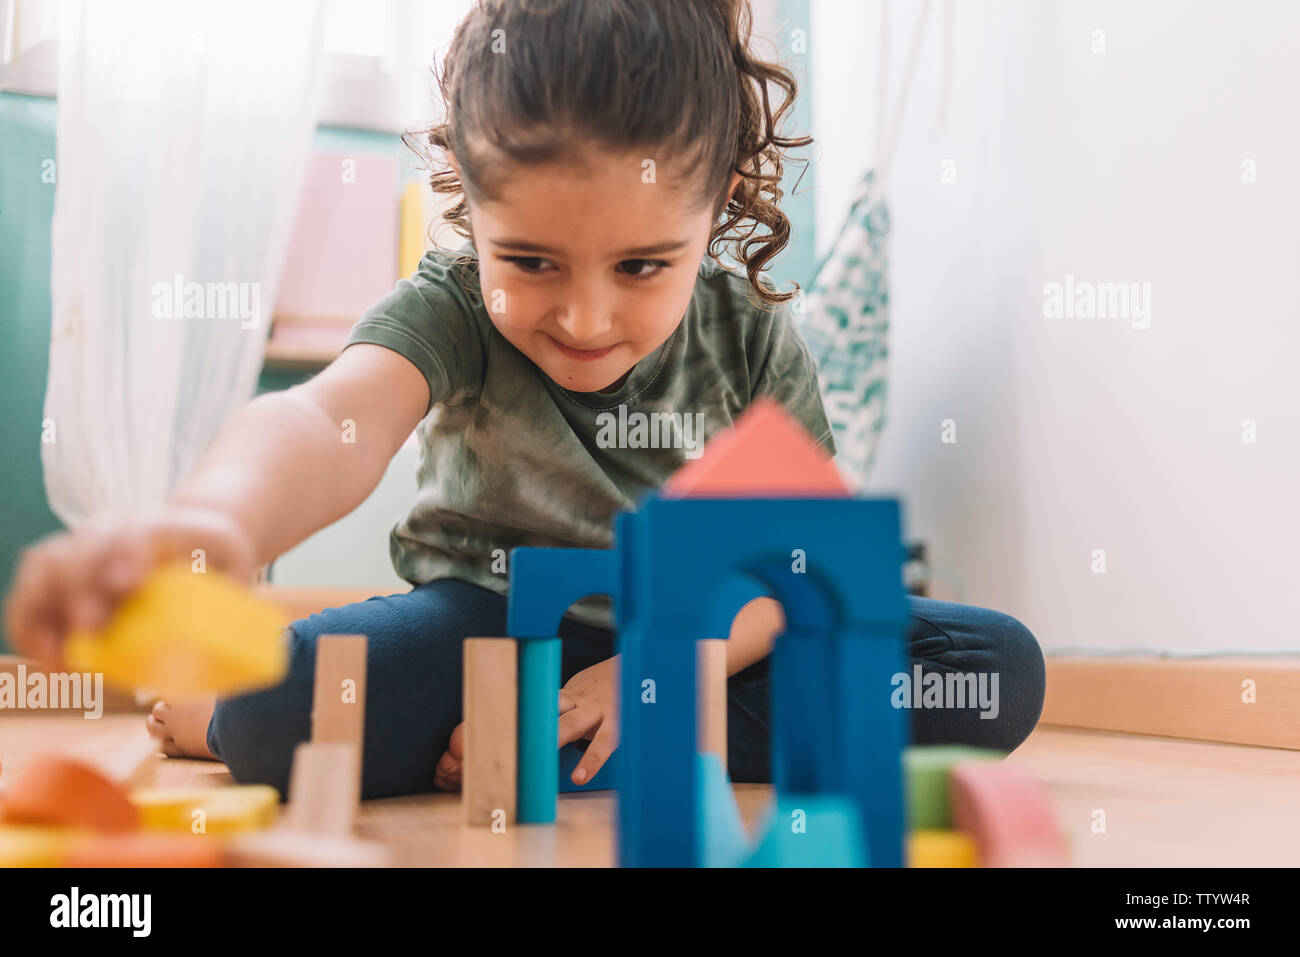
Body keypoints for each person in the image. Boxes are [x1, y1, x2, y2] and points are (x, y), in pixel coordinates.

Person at [3, 0, 1044, 800]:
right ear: (468, 186)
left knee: (990, 667)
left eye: (641, 266)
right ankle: (498, 730)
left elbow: (799, 563)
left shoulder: (752, 338)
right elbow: (330, 420)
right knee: (281, 706)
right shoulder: (450, 305)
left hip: (708, 645)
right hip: (486, 633)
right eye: (533, 261)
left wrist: (671, 671)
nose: (583, 319)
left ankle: (628, 731)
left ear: (719, 198)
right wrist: (216, 519)